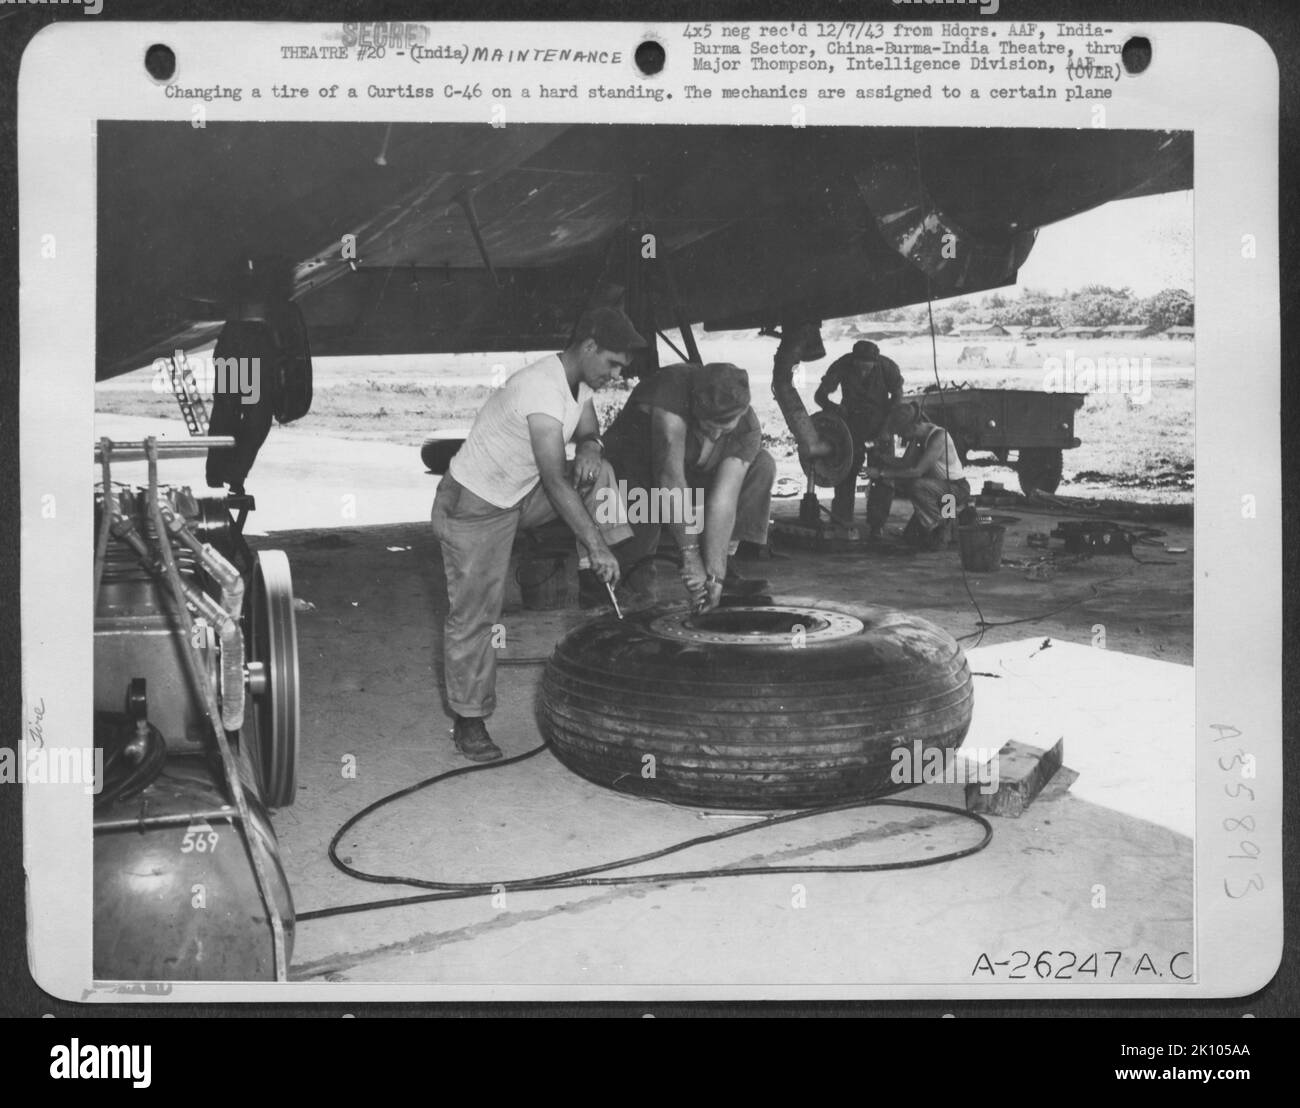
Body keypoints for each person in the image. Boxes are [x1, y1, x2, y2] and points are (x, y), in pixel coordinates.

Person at [430, 307, 643, 762]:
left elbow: (587, 424)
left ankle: (601, 581)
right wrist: (595, 541)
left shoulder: (578, 381)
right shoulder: (540, 389)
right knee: (475, 616)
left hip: (518, 496)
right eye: (612, 365)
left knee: (597, 470)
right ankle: (469, 720)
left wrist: (590, 445)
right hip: (474, 509)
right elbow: (554, 480)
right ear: (589, 347)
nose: (615, 377)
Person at [602, 362, 776, 613]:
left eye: (725, 427)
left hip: (685, 474)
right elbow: (668, 475)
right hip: (633, 472)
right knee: (632, 588)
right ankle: (627, 574)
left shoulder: (748, 426)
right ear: (695, 406)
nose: (715, 435)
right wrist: (690, 553)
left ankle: (723, 563)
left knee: (762, 464)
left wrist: (715, 575)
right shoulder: (672, 388)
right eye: (708, 425)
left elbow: (723, 500)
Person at [813, 340, 905, 536]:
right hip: (850, 426)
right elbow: (820, 396)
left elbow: (897, 399)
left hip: (881, 426)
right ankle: (841, 521)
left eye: (867, 368)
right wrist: (835, 409)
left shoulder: (888, 368)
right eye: (859, 367)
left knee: (883, 475)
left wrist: (887, 428)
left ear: (876, 362)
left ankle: (877, 524)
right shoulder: (841, 365)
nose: (863, 372)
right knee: (845, 474)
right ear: (853, 361)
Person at [867, 402, 971, 550]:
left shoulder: (939, 437)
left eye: (902, 433)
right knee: (911, 537)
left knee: (915, 485)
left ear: (912, 427)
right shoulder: (918, 437)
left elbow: (916, 471)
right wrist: (882, 458)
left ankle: (942, 528)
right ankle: (945, 523)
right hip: (937, 488)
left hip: (955, 489)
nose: (902, 437)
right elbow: (905, 463)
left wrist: (881, 473)